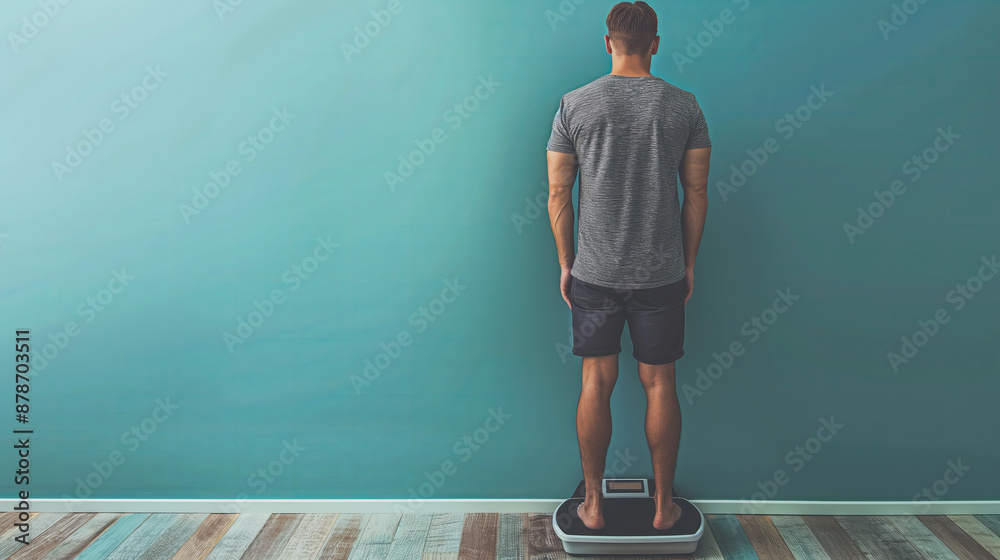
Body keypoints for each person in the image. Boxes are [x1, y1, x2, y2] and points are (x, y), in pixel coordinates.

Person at [544, 1, 712, 532]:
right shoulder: (685, 106)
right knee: (660, 384)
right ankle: (664, 509)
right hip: (660, 273)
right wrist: (687, 265)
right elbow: (698, 192)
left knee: (596, 381)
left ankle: (592, 506)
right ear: (655, 43)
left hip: (594, 272)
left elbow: (556, 193)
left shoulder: (574, 105)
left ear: (607, 42)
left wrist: (567, 264)